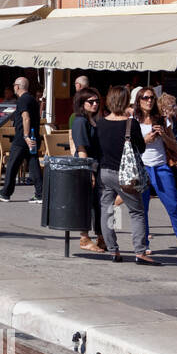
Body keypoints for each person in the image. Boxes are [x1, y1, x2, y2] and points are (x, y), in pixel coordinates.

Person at [96, 86, 155, 264]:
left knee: (107, 210)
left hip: (105, 172)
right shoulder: (131, 124)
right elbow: (141, 148)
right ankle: (140, 252)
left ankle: (113, 251)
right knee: (136, 212)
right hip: (125, 175)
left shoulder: (101, 123)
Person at [134, 87, 177, 257]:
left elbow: (174, 146)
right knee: (142, 208)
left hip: (161, 166)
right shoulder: (133, 120)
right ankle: (143, 242)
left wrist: (163, 136)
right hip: (142, 166)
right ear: (139, 100)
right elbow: (131, 145)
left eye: (152, 97)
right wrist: (146, 139)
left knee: (174, 205)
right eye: (145, 98)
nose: (149, 100)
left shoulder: (162, 120)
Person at [0, 77, 42, 204]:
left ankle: (5, 193)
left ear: (18, 86)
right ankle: (41, 194)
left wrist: (25, 135)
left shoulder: (23, 100)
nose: (14, 87)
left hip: (23, 138)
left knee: (12, 165)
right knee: (33, 165)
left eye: (14, 85)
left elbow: (26, 118)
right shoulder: (32, 100)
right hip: (34, 137)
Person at [70, 86, 106, 254]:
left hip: (99, 165)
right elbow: (81, 148)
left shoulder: (94, 120)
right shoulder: (80, 121)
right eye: (90, 101)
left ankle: (101, 235)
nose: (95, 104)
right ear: (81, 103)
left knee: (99, 203)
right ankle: (84, 237)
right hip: (88, 166)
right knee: (88, 203)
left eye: (97, 101)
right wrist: (88, 172)